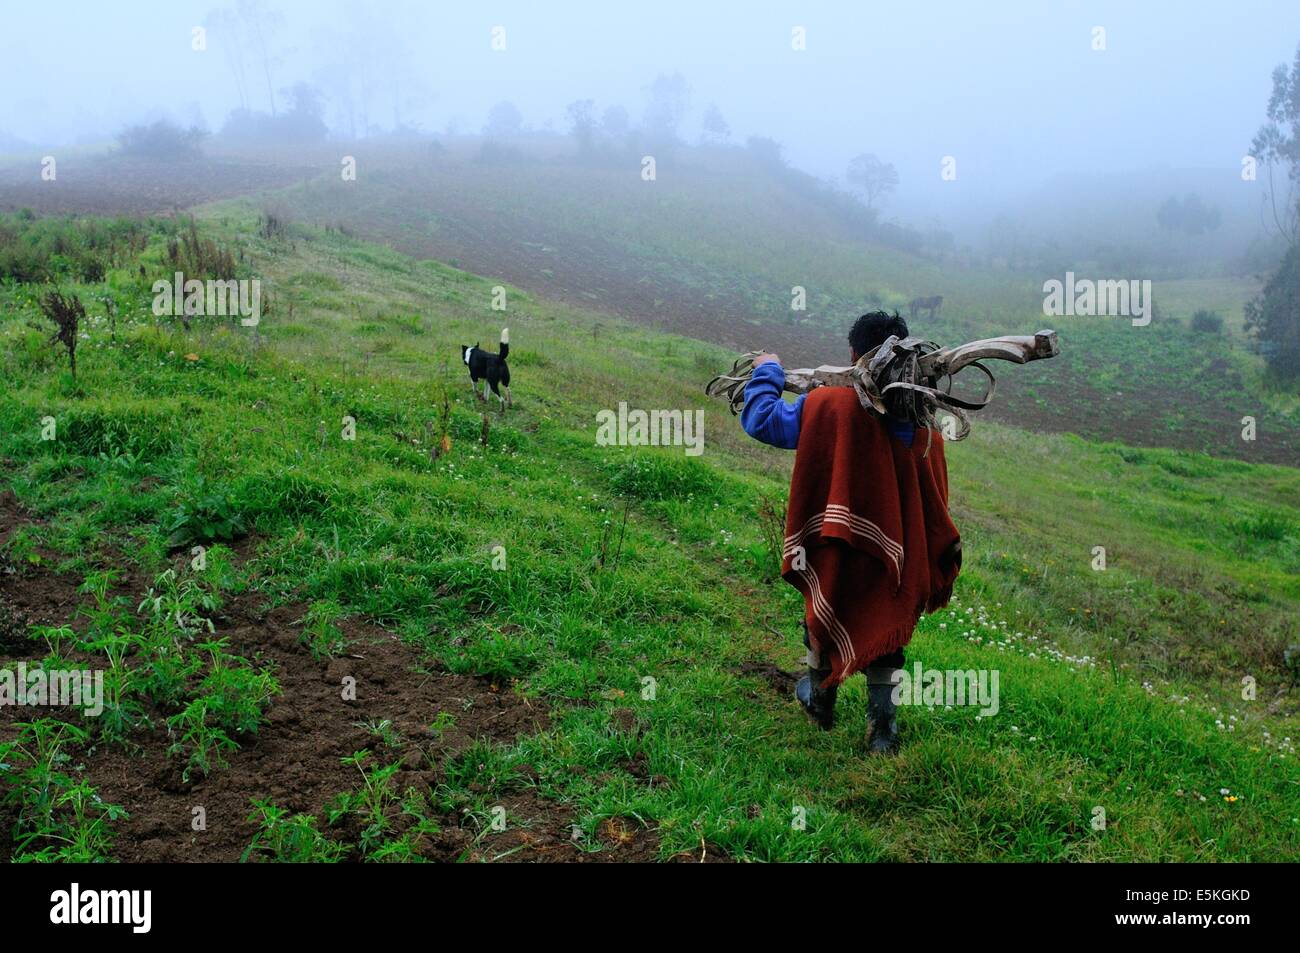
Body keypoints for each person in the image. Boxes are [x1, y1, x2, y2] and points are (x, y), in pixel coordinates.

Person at [740, 311, 962, 753]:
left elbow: (764, 420)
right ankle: (883, 730)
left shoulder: (829, 404)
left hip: (841, 543)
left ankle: (820, 699)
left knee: (827, 606)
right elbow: (933, 505)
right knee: (889, 627)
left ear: (854, 355)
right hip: (898, 555)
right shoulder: (926, 427)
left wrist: (767, 369)